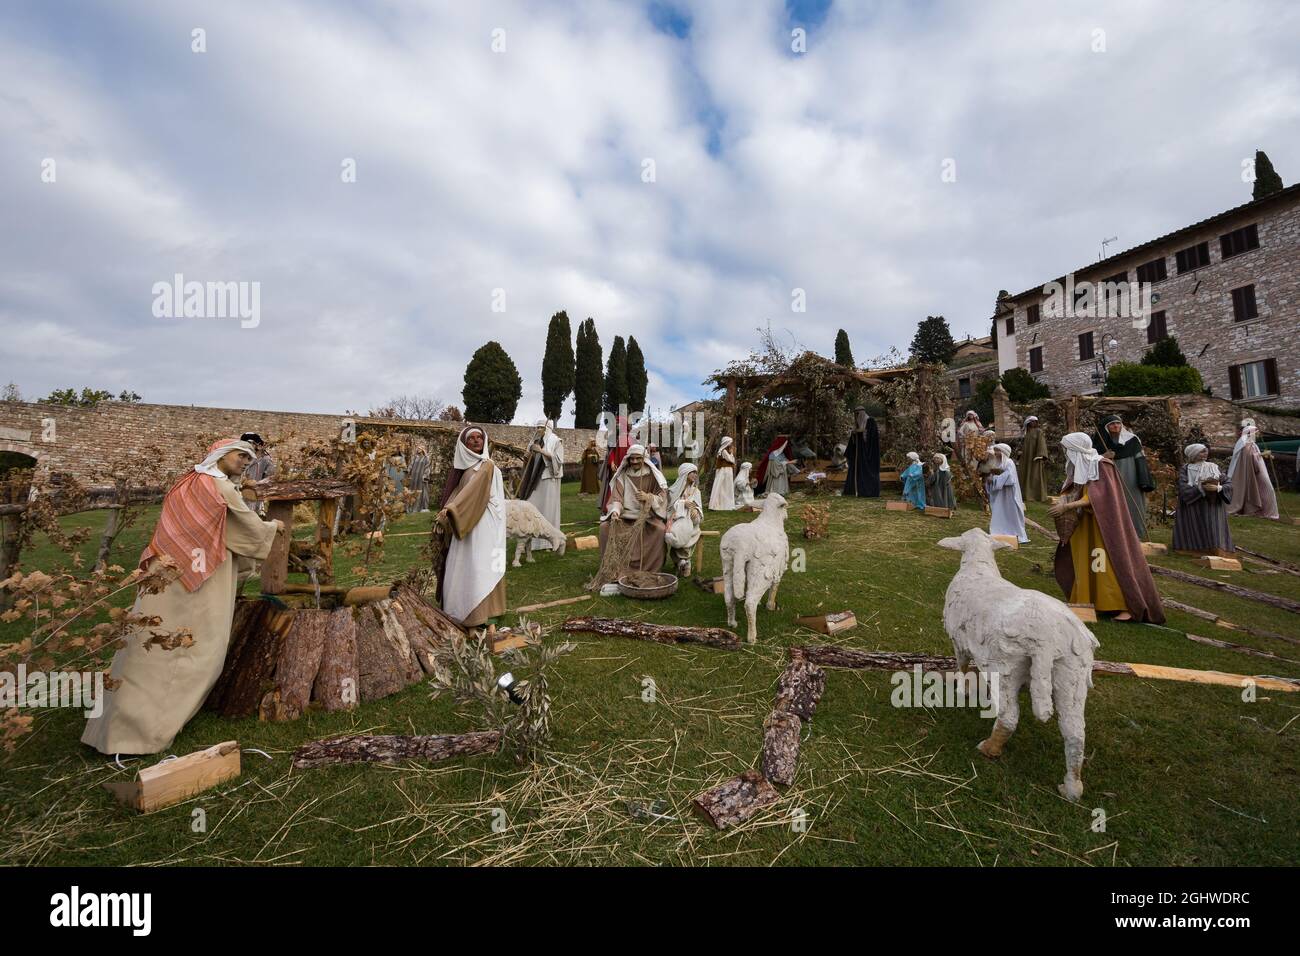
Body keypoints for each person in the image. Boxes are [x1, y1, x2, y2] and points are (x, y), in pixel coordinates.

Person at [82, 438, 282, 755]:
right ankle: (146, 735)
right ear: (220, 455)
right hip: (200, 583)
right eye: (240, 455)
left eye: (249, 457)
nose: (246, 461)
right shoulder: (221, 489)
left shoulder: (186, 482)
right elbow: (248, 532)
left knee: (145, 644)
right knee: (192, 652)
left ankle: (114, 726)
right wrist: (275, 528)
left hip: (164, 576)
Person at [1050, 433, 1164, 623]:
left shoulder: (1102, 465)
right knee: (1089, 563)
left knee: (1107, 563)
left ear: (1076, 449)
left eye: (1067, 449)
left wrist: (1067, 506)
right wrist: (1064, 499)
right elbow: (1077, 490)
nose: (1065, 453)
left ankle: (1123, 605)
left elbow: (1099, 497)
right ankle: (1092, 601)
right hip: (1085, 526)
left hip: (1103, 527)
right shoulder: (1083, 466)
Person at [435, 426, 506, 627]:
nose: (476, 441)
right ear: (464, 444)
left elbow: (473, 493)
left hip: (483, 526)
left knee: (481, 567)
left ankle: (483, 615)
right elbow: (458, 494)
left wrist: (451, 511)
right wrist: (447, 513)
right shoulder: (465, 470)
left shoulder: (487, 466)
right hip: (467, 523)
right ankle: (462, 613)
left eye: (479, 438)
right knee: (465, 567)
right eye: (471, 439)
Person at [599, 444, 668, 572]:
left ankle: (649, 568)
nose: (634, 461)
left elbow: (662, 498)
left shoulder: (653, 475)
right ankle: (613, 568)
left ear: (644, 458)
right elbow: (616, 498)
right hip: (626, 516)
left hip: (646, 516)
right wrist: (615, 511)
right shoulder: (623, 475)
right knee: (605, 528)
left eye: (638, 458)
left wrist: (649, 497)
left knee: (659, 530)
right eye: (632, 459)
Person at [1091, 414, 1154, 540]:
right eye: (1112, 424)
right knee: (1112, 503)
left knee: (1132, 503)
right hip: (1109, 477)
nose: (1116, 426)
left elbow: (1140, 459)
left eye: (1118, 423)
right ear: (1106, 427)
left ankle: (1135, 535)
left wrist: (1144, 480)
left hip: (1130, 476)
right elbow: (1091, 460)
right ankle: (1113, 535)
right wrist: (1103, 456)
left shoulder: (1132, 440)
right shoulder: (1100, 442)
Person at [1172, 443, 1234, 556]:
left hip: (1213, 505)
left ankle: (1217, 549)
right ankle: (1192, 548)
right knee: (1194, 527)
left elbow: (1228, 483)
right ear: (1194, 454)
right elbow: (1183, 486)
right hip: (1193, 506)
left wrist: (1218, 488)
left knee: (1214, 527)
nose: (1205, 453)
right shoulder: (1186, 468)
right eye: (1202, 451)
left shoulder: (1213, 467)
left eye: (1206, 451)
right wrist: (1201, 489)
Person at [522, 420, 564, 550]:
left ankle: (548, 542)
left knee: (547, 510)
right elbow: (530, 461)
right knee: (532, 507)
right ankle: (530, 542)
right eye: (537, 427)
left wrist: (542, 451)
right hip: (535, 479)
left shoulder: (557, 441)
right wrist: (528, 455)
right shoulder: (534, 441)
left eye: (542, 427)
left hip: (548, 478)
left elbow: (558, 460)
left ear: (548, 429)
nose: (539, 429)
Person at [1227, 424, 1280, 520]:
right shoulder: (1245, 442)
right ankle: (1266, 512)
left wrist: (1265, 455)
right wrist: (1262, 454)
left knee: (1268, 489)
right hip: (1252, 471)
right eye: (1255, 432)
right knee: (1267, 489)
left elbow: (1253, 455)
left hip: (1256, 470)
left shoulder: (1251, 443)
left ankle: (1267, 512)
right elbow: (1249, 456)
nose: (1257, 434)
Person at [664, 462, 703, 574]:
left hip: (691, 522)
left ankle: (685, 562)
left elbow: (699, 508)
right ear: (685, 474)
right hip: (675, 520)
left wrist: (696, 511)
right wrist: (682, 504)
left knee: (687, 533)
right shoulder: (673, 491)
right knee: (676, 532)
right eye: (693, 472)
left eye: (696, 473)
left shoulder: (696, 492)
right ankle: (681, 562)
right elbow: (669, 508)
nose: (695, 475)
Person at [985, 444, 1028, 542]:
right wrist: (989, 480)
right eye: (995, 451)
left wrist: (995, 479)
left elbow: (1010, 479)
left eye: (998, 451)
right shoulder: (996, 463)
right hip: (999, 494)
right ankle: (999, 530)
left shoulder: (1009, 462)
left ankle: (1013, 531)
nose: (995, 453)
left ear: (1004, 452)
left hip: (1009, 494)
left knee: (1010, 511)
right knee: (999, 511)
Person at [842, 406, 881, 497]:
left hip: (868, 455)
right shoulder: (857, 425)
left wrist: (860, 432)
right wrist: (854, 434)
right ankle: (857, 490)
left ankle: (868, 492)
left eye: (857, 414)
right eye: (855, 414)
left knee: (868, 472)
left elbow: (871, 437)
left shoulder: (870, 421)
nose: (856, 417)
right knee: (857, 471)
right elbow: (855, 441)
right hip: (859, 456)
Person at [1018, 416, 1049, 502]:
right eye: (1032, 421)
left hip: (1035, 457)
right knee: (1024, 475)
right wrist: (1019, 452)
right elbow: (1020, 444)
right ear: (1028, 422)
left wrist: (1040, 454)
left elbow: (1041, 443)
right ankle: (1024, 495)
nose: (1034, 423)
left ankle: (1036, 496)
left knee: (1035, 476)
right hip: (1025, 458)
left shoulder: (1039, 432)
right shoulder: (1025, 433)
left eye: (1035, 421)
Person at [708, 437, 736, 510]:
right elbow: (731, 460)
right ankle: (720, 504)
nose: (731, 444)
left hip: (728, 470)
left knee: (727, 487)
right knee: (723, 486)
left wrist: (731, 453)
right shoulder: (723, 451)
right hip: (725, 470)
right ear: (726, 443)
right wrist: (732, 453)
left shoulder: (727, 451)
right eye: (730, 443)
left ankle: (726, 503)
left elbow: (732, 460)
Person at [406, 446, 431, 513]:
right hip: (414, 478)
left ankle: (420, 507)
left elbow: (427, 468)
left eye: (419, 448)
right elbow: (411, 465)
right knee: (412, 491)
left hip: (421, 478)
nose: (418, 449)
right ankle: (411, 507)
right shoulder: (415, 457)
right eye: (417, 448)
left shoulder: (426, 458)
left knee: (421, 492)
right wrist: (408, 471)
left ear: (423, 449)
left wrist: (425, 476)